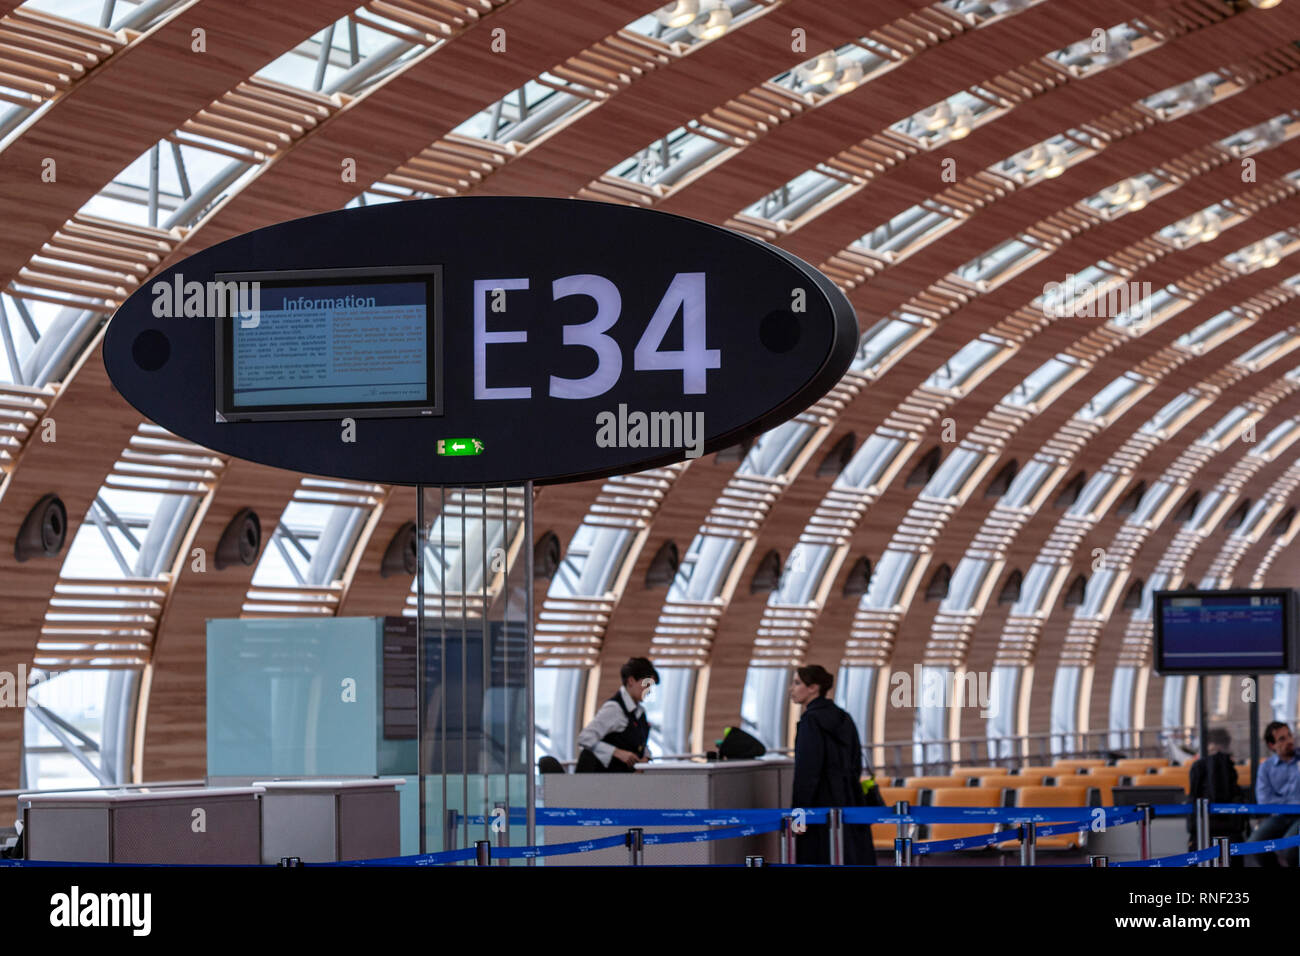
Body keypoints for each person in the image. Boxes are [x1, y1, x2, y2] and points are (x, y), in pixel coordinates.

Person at [790, 665, 876, 865]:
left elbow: (807, 774)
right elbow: (855, 762)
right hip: (848, 799)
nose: (791, 689)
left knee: (821, 856)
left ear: (813, 688)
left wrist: (799, 814)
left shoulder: (810, 721)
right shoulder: (843, 717)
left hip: (820, 805)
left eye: (797, 683)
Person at [575, 657, 659, 772]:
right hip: (606, 779)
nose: (649, 690)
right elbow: (585, 738)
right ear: (631, 681)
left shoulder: (640, 712)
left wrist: (646, 757)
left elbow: (641, 743)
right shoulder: (614, 709)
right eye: (646, 684)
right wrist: (616, 752)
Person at [1186, 727, 1248, 864]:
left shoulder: (1198, 767)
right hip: (1231, 832)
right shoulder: (1229, 767)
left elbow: (1192, 799)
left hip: (1202, 832)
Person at [1245, 720, 1300, 866]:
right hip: (1280, 817)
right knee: (1255, 845)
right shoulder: (1266, 768)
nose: (1289, 740)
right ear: (1272, 745)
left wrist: (1282, 802)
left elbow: (1271, 800)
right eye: (1282, 739)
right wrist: (1293, 804)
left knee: (1290, 847)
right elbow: (1264, 801)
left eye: (1289, 735)